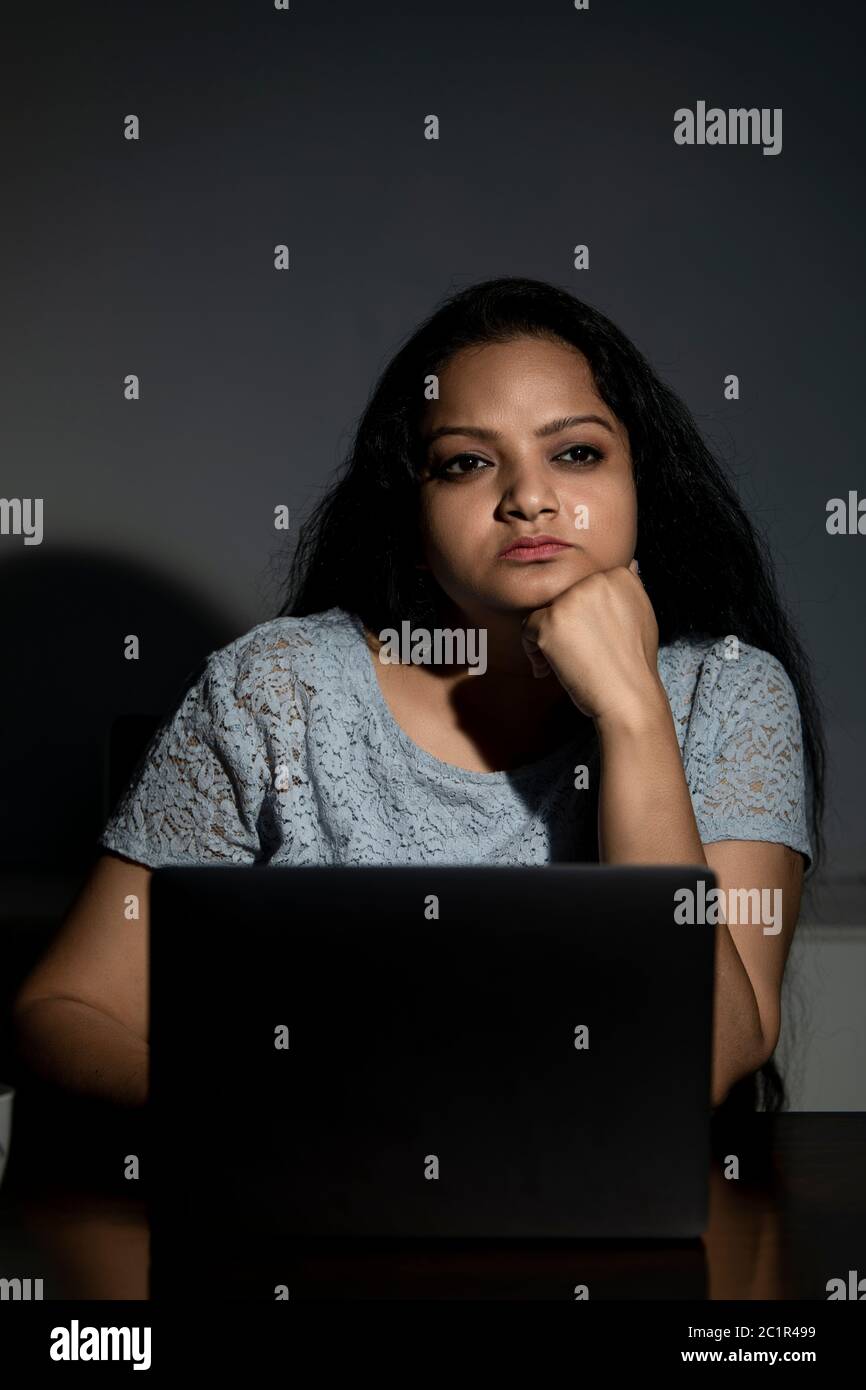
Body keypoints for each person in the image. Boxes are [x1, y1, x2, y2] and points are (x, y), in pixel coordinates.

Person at [12, 277, 825, 1115]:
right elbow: (62, 1012)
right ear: (412, 513)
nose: (529, 499)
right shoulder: (277, 690)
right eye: (466, 463)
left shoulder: (729, 691)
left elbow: (708, 1056)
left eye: (576, 452)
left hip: (617, 1224)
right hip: (308, 1216)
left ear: (642, 482)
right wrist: (258, 1112)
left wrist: (632, 711)